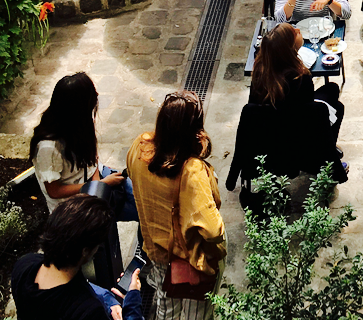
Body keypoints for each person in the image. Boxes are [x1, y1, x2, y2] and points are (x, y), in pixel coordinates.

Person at [127, 91, 225, 320]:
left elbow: (134, 175)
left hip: (158, 254)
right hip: (191, 259)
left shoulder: (139, 147)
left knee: (166, 309)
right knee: (195, 314)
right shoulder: (191, 170)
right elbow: (213, 230)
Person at [11, 194, 142, 320]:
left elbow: (72, 288)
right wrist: (133, 301)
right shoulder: (88, 311)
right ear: (85, 251)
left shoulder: (24, 265)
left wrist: (108, 300)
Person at [29, 73, 133, 219]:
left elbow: (93, 157)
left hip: (94, 182)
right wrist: (100, 186)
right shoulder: (48, 148)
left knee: (149, 200)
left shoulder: (80, 125)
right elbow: (55, 191)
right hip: (73, 206)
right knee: (143, 211)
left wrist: (98, 184)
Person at [250, 22, 347, 179]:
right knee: (337, 108)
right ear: (289, 48)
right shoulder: (299, 79)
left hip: (271, 126)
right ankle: (325, 157)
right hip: (297, 129)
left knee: (332, 90)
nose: (298, 30)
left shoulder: (260, 73)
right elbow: (309, 112)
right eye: (294, 33)